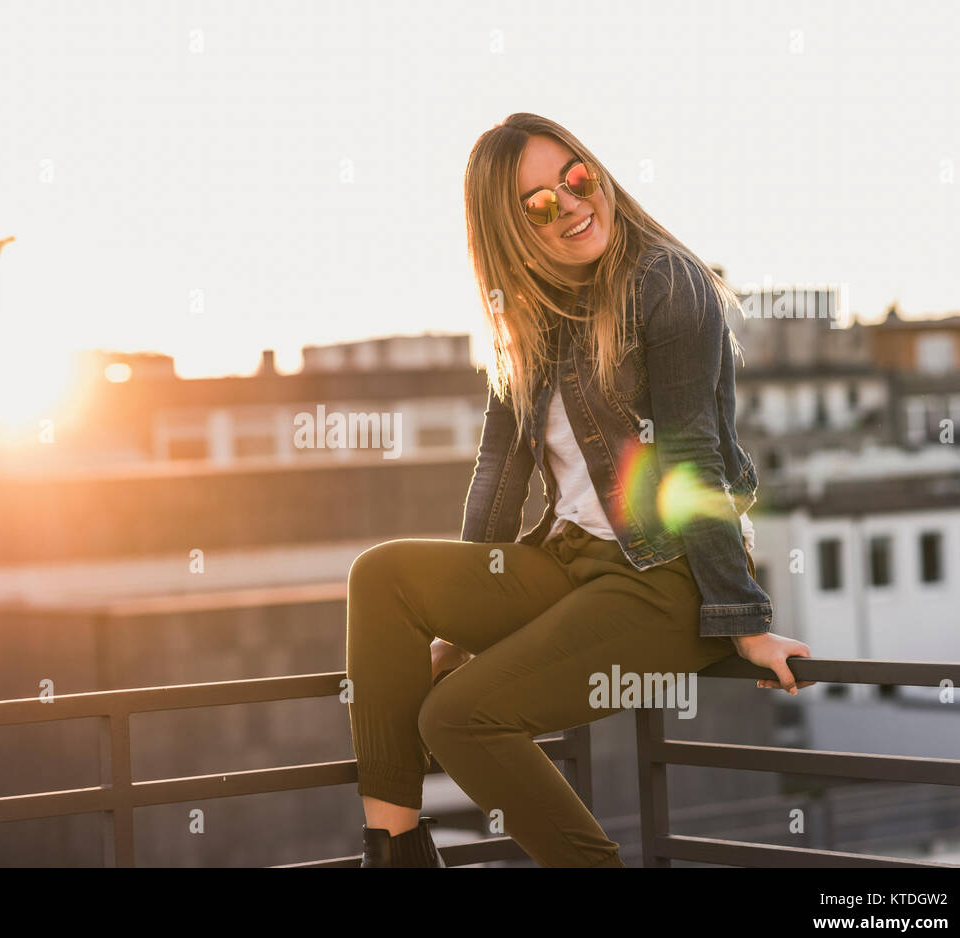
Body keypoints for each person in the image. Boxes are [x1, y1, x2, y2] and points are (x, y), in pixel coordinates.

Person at [347, 112, 813, 868]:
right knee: (381, 576)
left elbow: (693, 459)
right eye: (537, 203)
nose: (569, 204)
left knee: (461, 715)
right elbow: (499, 473)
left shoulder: (667, 284)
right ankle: (395, 850)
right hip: (568, 563)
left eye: (574, 178)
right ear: (509, 232)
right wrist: (460, 620)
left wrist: (746, 619)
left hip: (665, 581)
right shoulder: (525, 319)